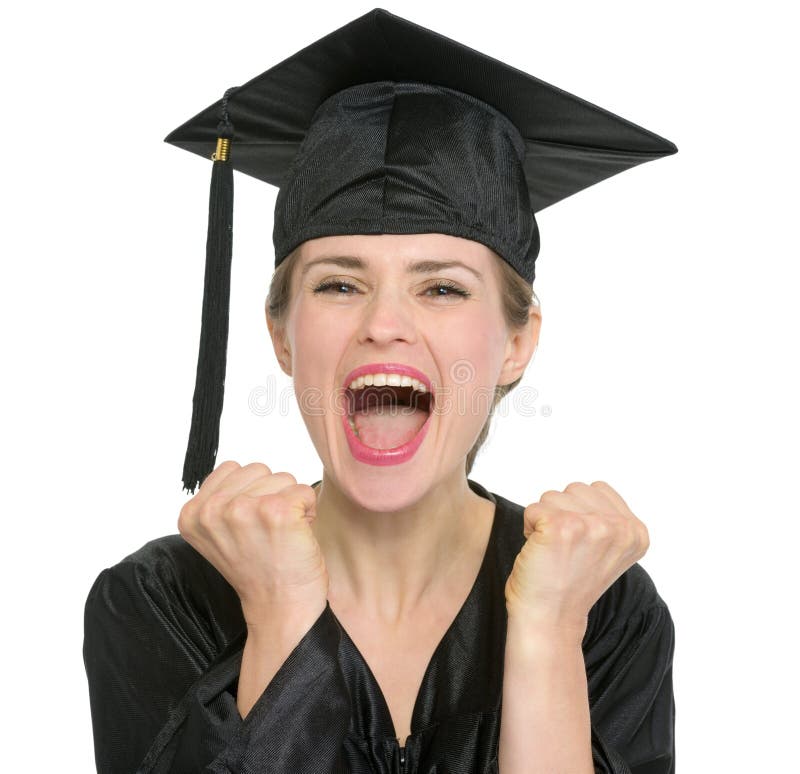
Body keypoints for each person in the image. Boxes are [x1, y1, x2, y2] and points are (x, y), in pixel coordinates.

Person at [83, 9, 677, 773]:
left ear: (517, 342)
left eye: (441, 288)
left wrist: (548, 631)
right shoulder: (162, 601)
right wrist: (283, 610)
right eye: (339, 284)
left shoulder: (604, 609)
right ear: (282, 335)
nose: (384, 325)